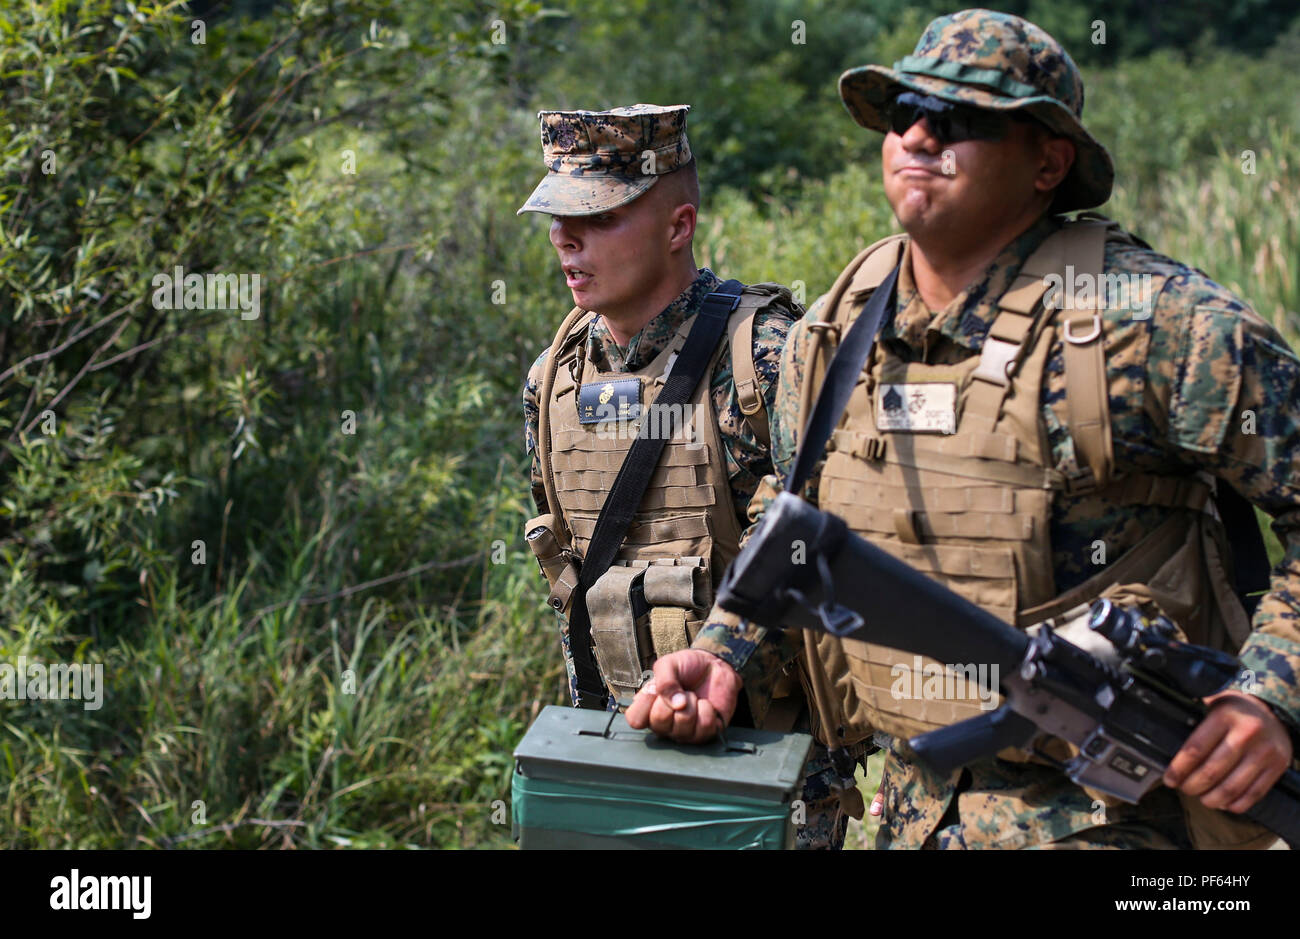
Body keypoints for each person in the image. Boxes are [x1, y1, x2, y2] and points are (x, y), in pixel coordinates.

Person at [627, 11, 1300, 849]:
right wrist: (727, 653)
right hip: (913, 811)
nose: (917, 134)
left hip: (1117, 819)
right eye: (903, 110)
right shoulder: (837, 332)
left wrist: (1268, 695)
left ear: (1048, 161)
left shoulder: (1154, 325)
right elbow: (796, 516)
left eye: (959, 120)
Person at [518, 104, 867, 848]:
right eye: (556, 215)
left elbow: (830, 545)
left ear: (678, 227)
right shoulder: (552, 378)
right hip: (615, 750)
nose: (563, 238)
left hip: (767, 764)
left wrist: (728, 653)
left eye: (599, 217)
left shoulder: (768, 356)